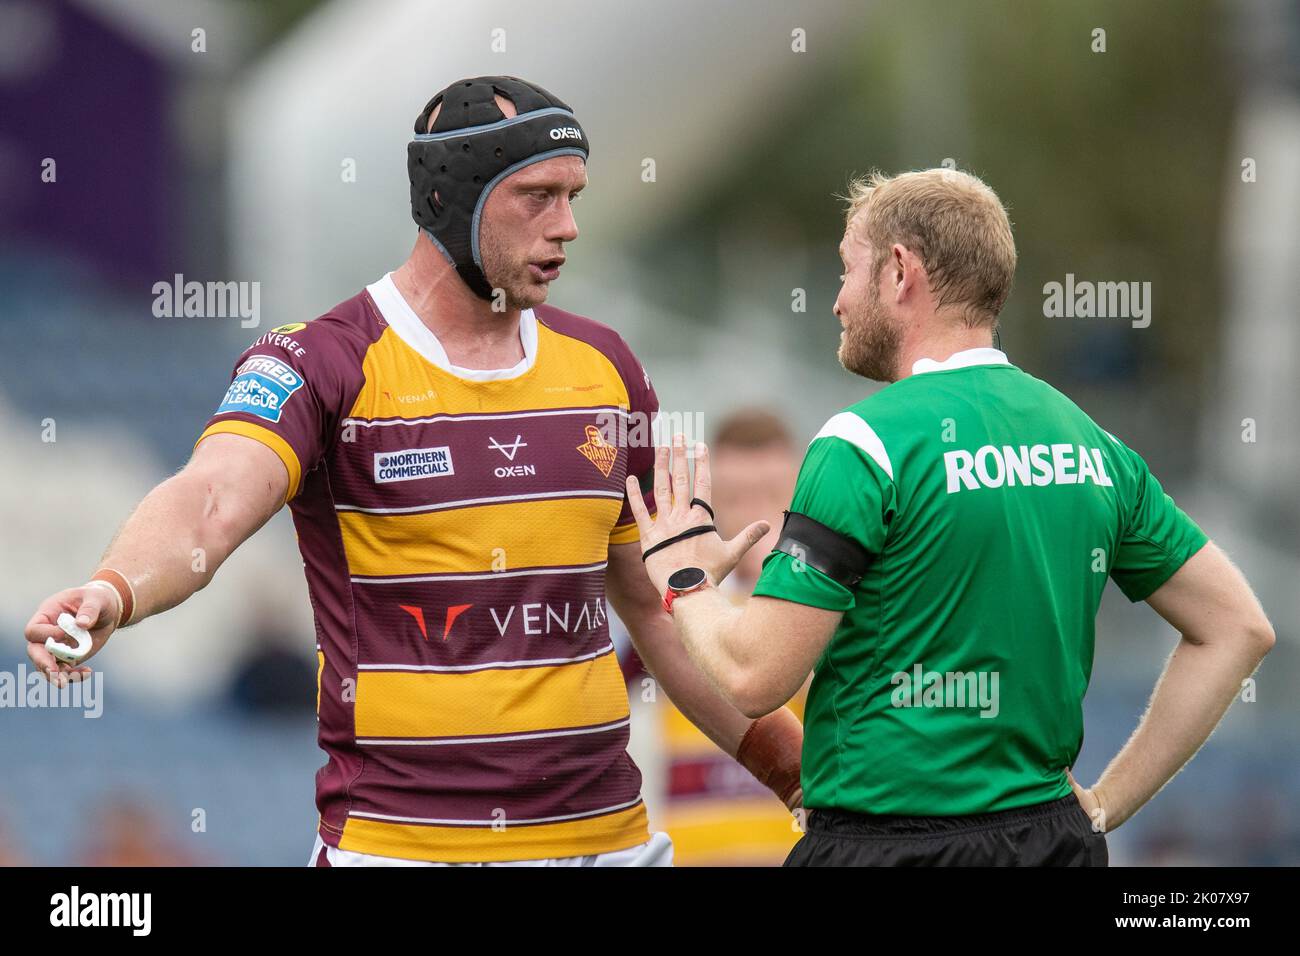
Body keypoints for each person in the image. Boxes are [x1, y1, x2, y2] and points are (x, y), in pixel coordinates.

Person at [23, 76, 801, 867]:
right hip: (406, 848)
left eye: (574, 196)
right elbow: (210, 498)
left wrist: (798, 776)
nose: (567, 227)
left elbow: (655, 611)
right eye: (537, 196)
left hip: (605, 844)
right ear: (451, 200)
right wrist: (115, 588)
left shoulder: (608, 368)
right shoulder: (323, 361)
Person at [624, 168, 1276, 866]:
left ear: (899, 271)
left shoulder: (864, 443)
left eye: (847, 270)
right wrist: (1108, 804)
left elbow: (755, 678)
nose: (838, 302)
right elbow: (1238, 627)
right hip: (1054, 840)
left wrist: (684, 576)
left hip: (886, 847)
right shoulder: (1094, 444)